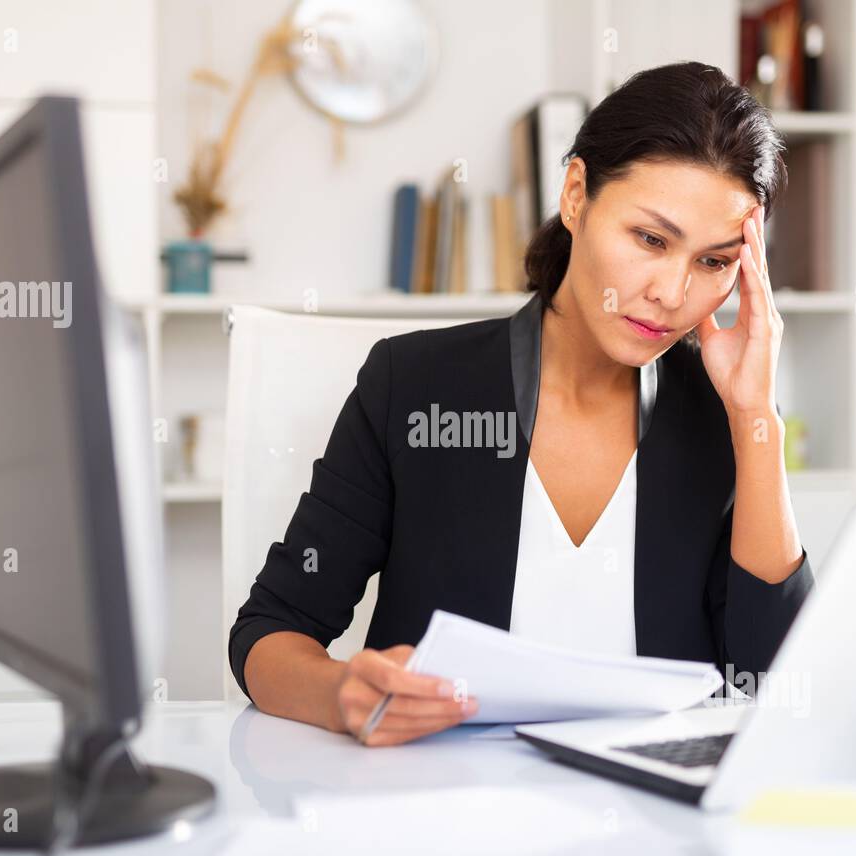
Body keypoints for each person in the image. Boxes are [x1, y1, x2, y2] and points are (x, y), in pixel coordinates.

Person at [229, 61, 814, 745]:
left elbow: (774, 687)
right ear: (575, 194)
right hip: (440, 813)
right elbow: (270, 632)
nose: (671, 291)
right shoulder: (414, 386)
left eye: (713, 262)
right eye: (650, 239)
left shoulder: (721, 417)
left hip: (651, 827)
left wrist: (754, 421)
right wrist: (340, 694)